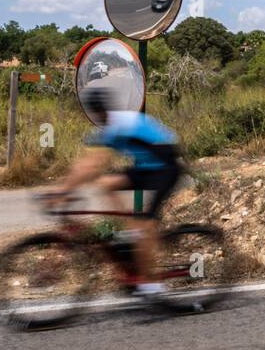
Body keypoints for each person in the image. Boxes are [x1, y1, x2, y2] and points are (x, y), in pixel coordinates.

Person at [54, 87, 185, 299]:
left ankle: (151, 283)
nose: (97, 115)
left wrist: (63, 192)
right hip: (146, 167)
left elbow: (93, 166)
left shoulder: (118, 125)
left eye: (98, 111)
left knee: (145, 225)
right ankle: (129, 228)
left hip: (166, 167)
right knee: (106, 184)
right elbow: (84, 164)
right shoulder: (108, 126)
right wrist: (62, 189)